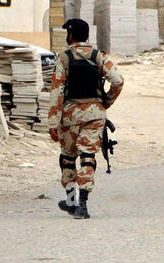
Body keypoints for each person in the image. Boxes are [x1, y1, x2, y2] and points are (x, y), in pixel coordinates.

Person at [48, 18, 124, 218]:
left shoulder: (63, 58)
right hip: (94, 115)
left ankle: (72, 202)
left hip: (70, 116)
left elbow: (57, 92)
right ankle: (82, 205)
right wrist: (105, 102)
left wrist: (53, 122)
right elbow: (118, 80)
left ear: (70, 35)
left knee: (68, 159)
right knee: (88, 158)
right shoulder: (98, 56)